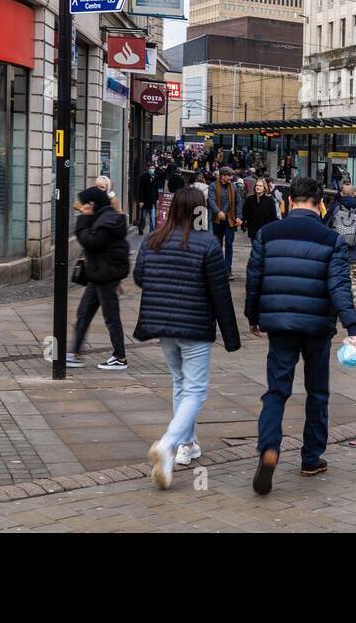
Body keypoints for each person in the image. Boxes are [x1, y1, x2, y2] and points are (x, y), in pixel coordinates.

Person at [246, 176, 356, 493]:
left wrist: (252, 316)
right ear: (318, 202)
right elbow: (339, 288)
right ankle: (311, 458)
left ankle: (269, 448)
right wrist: (352, 328)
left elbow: (253, 277)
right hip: (316, 329)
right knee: (317, 391)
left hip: (280, 326)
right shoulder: (331, 239)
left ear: (289, 201)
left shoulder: (268, 234)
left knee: (276, 392)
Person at [136, 188, 242, 487]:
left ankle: (188, 445)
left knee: (180, 383)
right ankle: (169, 444)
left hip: (162, 325)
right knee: (195, 390)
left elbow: (140, 278)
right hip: (194, 326)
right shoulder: (207, 243)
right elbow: (220, 293)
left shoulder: (153, 240)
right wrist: (231, 336)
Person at [67, 187, 131, 370]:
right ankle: (75, 353)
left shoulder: (107, 221)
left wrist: (83, 219)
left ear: (93, 204)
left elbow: (92, 242)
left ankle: (120, 357)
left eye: (85, 205)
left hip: (106, 275)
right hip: (99, 274)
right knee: (84, 313)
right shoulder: (103, 217)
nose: (83, 208)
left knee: (111, 317)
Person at [325, 181, 356, 290]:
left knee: (337, 282)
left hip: (337, 253)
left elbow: (324, 227)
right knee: (354, 282)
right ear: (354, 194)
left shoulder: (334, 209)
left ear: (341, 194)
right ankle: (354, 305)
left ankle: (339, 305)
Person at [209, 168, 244, 278]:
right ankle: (217, 268)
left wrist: (239, 216)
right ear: (222, 176)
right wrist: (217, 211)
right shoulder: (213, 186)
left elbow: (238, 201)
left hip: (230, 220)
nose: (231, 178)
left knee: (229, 244)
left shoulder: (233, 187)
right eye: (229, 175)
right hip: (217, 220)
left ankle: (228, 269)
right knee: (217, 245)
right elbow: (211, 200)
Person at [137, 165, 157, 234]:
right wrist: (141, 201)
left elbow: (156, 189)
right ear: (148, 169)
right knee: (143, 217)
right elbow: (141, 189)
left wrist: (157, 199)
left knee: (152, 217)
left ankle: (151, 231)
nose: (152, 169)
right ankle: (141, 229)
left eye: (153, 168)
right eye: (150, 168)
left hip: (152, 201)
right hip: (145, 200)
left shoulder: (155, 177)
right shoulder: (144, 177)